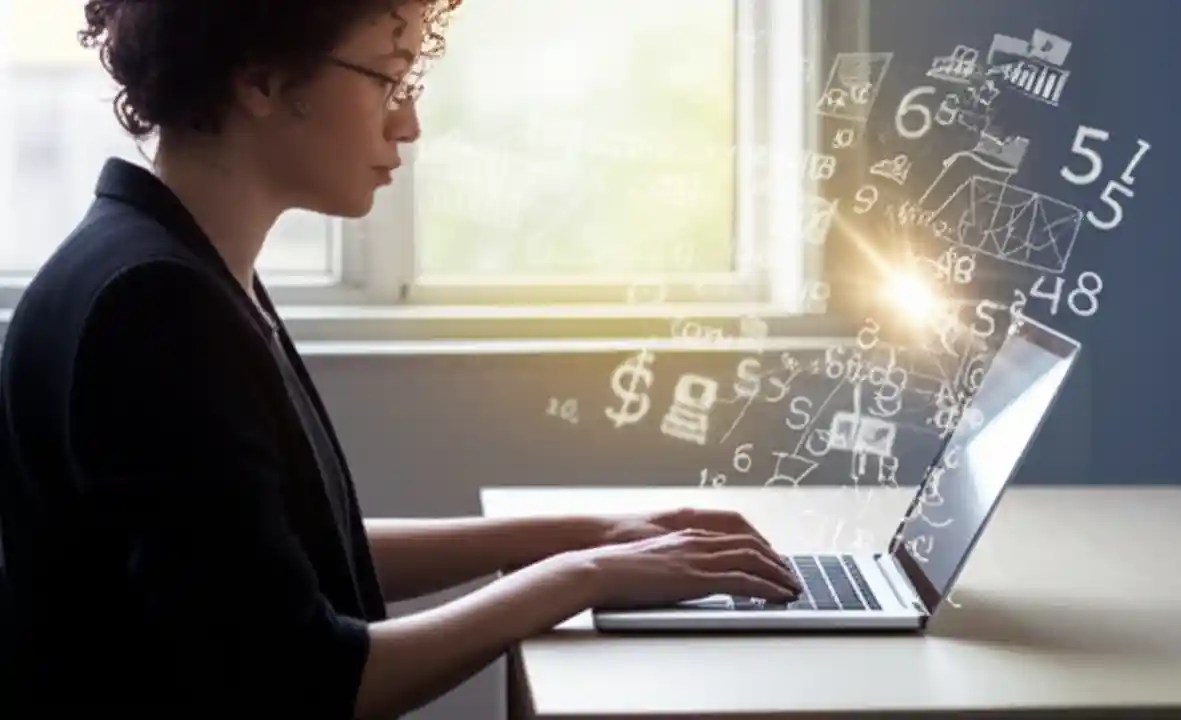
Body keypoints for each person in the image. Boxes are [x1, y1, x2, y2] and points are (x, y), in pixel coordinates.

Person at [0, 1, 802, 717]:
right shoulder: (154, 309)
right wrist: (584, 577)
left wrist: (591, 534)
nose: (409, 122)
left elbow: (275, 559)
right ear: (263, 81)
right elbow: (311, 682)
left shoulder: (166, 261)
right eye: (387, 79)